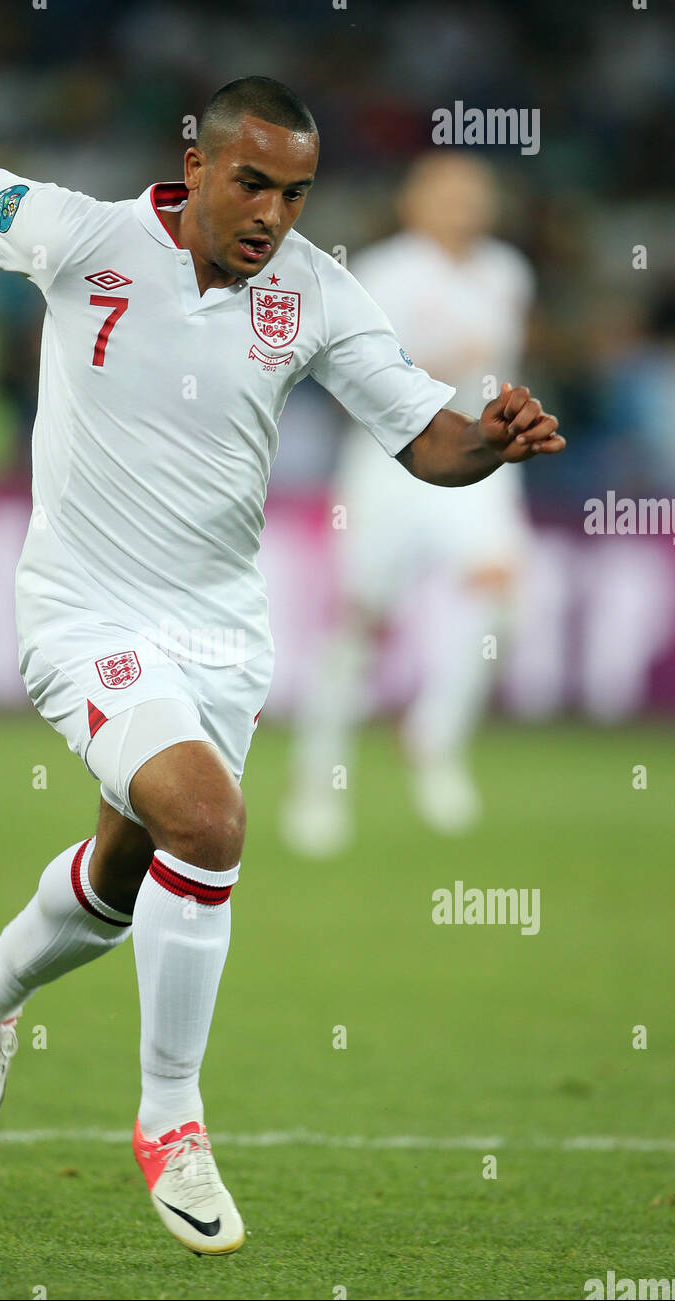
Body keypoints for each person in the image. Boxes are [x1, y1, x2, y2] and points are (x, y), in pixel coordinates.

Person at [0, 77, 564, 1257]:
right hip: (80, 611)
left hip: (217, 635)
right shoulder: (86, 233)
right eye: (252, 182)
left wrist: (491, 440)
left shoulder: (317, 293)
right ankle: (171, 1119)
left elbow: (424, 438)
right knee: (207, 822)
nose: (271, 214)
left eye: (295, 193)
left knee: (120, 880)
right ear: (197, 165)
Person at [282, 153, 537, 852]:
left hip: (482, 461)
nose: (464, 204)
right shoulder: (381, 272)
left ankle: (434, 736)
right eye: (448, 192)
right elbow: (361, 373)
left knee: (504, 596)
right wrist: (440, 363)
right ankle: (317, 784)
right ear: (413, 201)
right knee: (363, 622)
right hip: (395, 458)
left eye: (474, 193)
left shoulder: (509, 272)